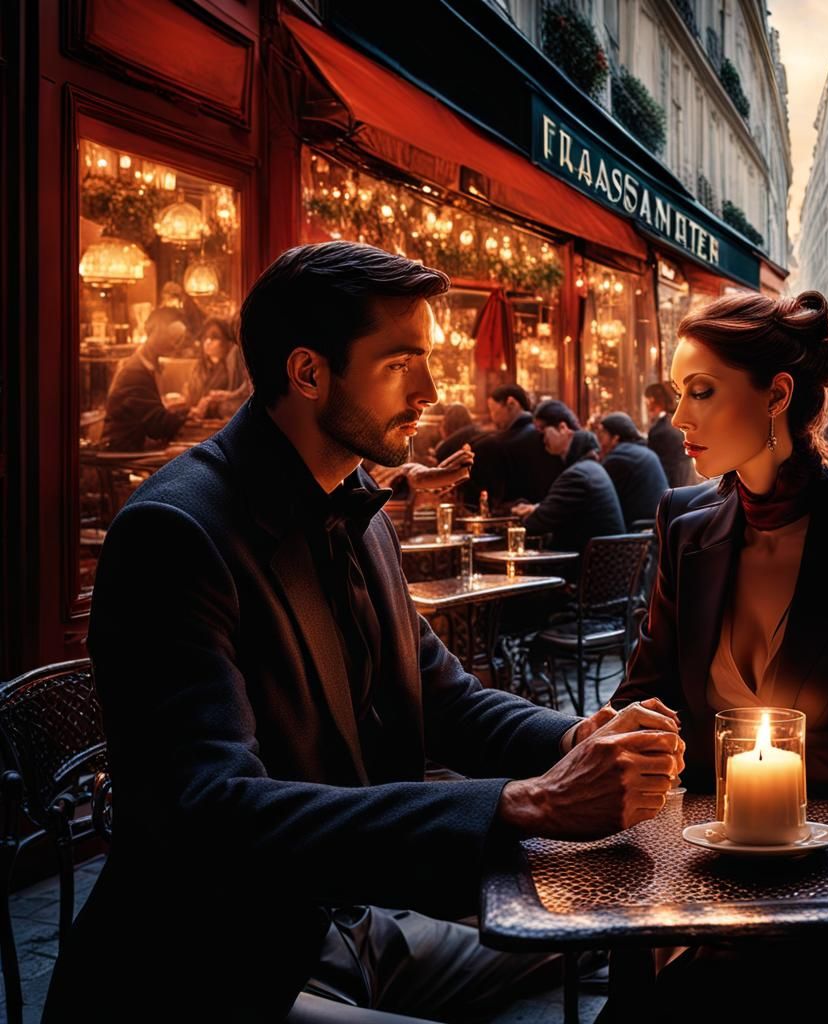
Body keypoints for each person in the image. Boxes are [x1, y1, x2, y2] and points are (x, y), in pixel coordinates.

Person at [44, 242, 685, 1022]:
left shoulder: (353, 500)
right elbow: (212, 810)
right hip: (220, 960)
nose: (430, 388)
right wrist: (525, 805)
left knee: (621, 933)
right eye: (400, 362)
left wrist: (576, 740)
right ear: (309, 372)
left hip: (351, 920)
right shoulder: (175, 532)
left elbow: (445, 697)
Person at [613, 290, 828, 1023]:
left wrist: (737, 768)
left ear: (777, 393)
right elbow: (641, 699)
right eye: (680, 394)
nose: (679, 420)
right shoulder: (684, 523)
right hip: (699, 865)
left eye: (701, 392)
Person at [511, 400, 625, 553]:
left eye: (542, 431)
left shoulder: (578, 475)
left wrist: (516, 522)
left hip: (589, 568)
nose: (542, 439)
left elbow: (539, 522)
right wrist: (536, 508)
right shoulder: (588, 467)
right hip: (605, 564)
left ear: (562, 428)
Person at [100, 306, 191, 451]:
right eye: (171, 337)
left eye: (179, 339)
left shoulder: (149, 366)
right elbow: (157, 426)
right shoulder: (134, 372)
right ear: (153, 331)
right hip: (123, 452)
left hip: (138, 446)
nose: (175, 345)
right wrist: (191, 414)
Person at [465, 383, 562, 510]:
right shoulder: (544, 435)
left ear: (511, 403)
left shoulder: (499, 443)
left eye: (493, 410)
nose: (492, 417)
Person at [596, 412, 669, 528]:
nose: (599, 443)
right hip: (657, 526)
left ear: (615, 438)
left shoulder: (618, 458)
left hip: (636, 531)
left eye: (602, 436)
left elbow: (602, 499)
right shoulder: (646, 452)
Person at [184, 316, 251, 418]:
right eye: (205, 337)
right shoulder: (198, 368)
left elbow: (242, 395)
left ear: (227, 342)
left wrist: (220, 397)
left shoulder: (232, 362)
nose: (208, 341)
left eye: (215, 337)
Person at [644, 381, 698, 487]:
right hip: (686, 481)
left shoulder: (662, 429)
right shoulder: (676, 423)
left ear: (653, 400)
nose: (647, 404)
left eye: (648, 400)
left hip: (674, 485)